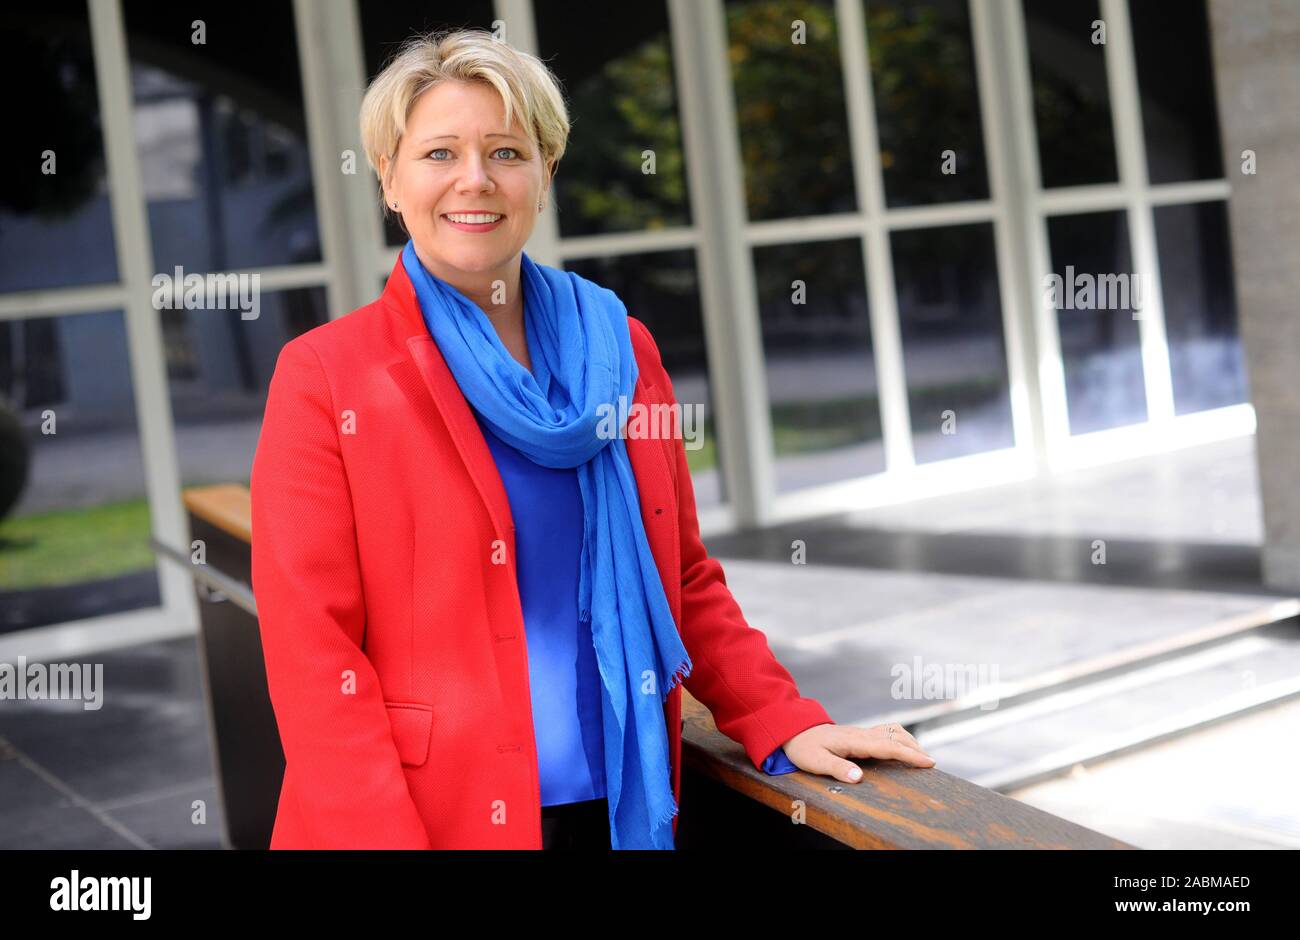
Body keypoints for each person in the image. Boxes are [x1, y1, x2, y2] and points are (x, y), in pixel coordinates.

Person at [249, 27, 934, 851]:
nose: (475, 179)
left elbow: (680, 572)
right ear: (389, 178)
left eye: (506, 151)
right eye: (438, 153)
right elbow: (313, 655)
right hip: (432, 822)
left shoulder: (622, 348)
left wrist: (776, 715)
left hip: (620, 806)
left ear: (544, 172)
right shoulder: (326, 375)